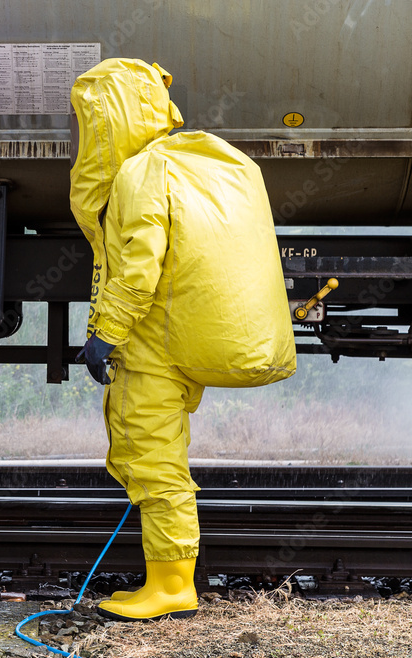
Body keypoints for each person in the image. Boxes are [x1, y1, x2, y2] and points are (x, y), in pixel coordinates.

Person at [69, 59, 296, 621]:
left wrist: (104, 335)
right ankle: (170, 578)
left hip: (151, 348)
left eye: (89, 121)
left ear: (112, 118)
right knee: (163, 458)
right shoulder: (191, 161)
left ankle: (171, 586)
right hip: (184, 339)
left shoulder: (140, 172)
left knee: (152, 459)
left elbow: (138, 267)